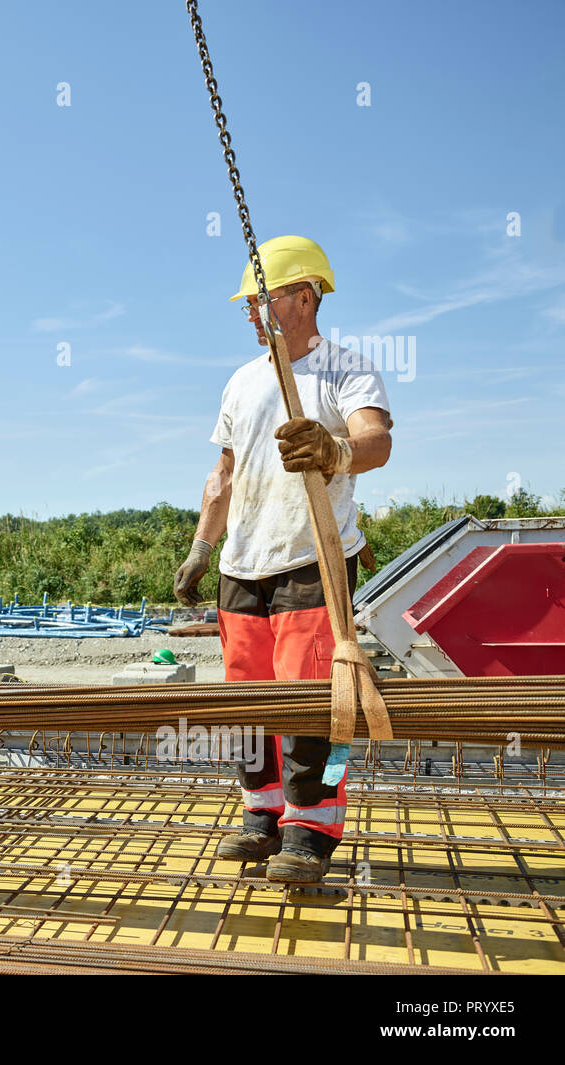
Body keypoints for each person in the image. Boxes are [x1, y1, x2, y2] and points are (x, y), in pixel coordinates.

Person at [174, 236, 392, 883]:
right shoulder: (241, 382)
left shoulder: (345, 368)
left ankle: (310, 830)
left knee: (307, 697)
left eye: (258, 298)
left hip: (312, 560)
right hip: (241, 567)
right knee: (246, 701)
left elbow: (375, 438)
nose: (248, 313)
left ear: (303, 297)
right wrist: (199, 549)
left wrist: (335, 450)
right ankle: (261, 815)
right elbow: (224, 473)